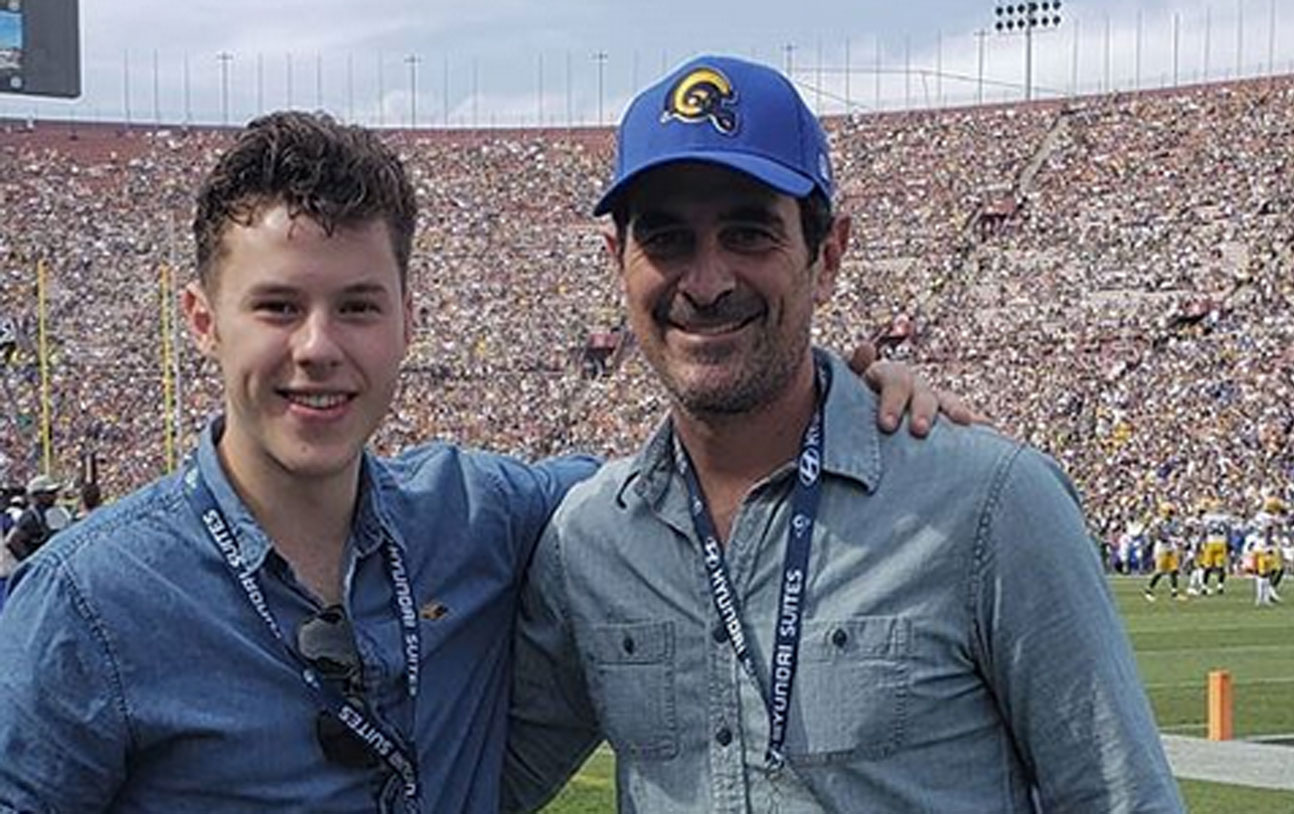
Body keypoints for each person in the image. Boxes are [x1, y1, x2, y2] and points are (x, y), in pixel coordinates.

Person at [0, 111, 955, 814]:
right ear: (203, 322)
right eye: (278, 307)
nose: (318, 347)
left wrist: (853, 389)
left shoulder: (480, 515)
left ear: (411, 318)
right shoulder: (88, 603)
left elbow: (696, 469)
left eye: (360, 306)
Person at [504, 55, 1182, 813]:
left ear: (827, 257)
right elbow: (468, 780)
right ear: (617, 266)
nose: (705, 281)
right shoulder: (589, 539)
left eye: (749, 234)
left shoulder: (990, 502)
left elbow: (1121, 799)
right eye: (666, 240)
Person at [2, 474, 70, 566]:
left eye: (54, 492)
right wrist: (31, 563)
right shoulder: (31, 516)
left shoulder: (54, 512)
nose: (54, 496)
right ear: (37, 495)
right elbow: (12, 540)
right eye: (49, 493)